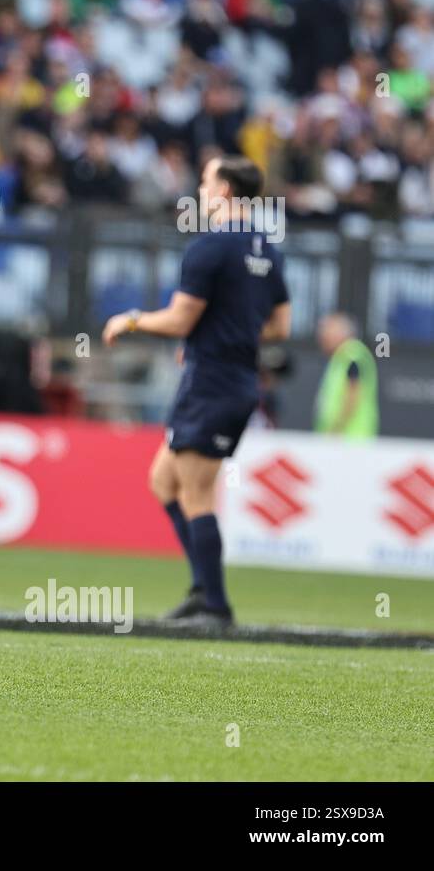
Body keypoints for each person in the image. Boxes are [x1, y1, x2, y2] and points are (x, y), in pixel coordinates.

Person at [103, 155, 291, 628]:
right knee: (164, 482)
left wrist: (130, 319)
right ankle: (202, 588)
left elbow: (180, 319)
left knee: (197, 491)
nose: (201, 191)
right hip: (236, 380)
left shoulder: (210, 247)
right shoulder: (268, 250)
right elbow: (280, 326)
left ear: (225, 190)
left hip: (212, 383)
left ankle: (215, 605)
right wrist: (230, 332)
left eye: (205, 182)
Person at [313, 312, 379, 438]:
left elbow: (353, 395)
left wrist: (336, 429)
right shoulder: (342, 357)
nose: (321, 338)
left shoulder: (352, 355)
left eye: (326, 332)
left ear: (340, 334)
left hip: (349, 441)